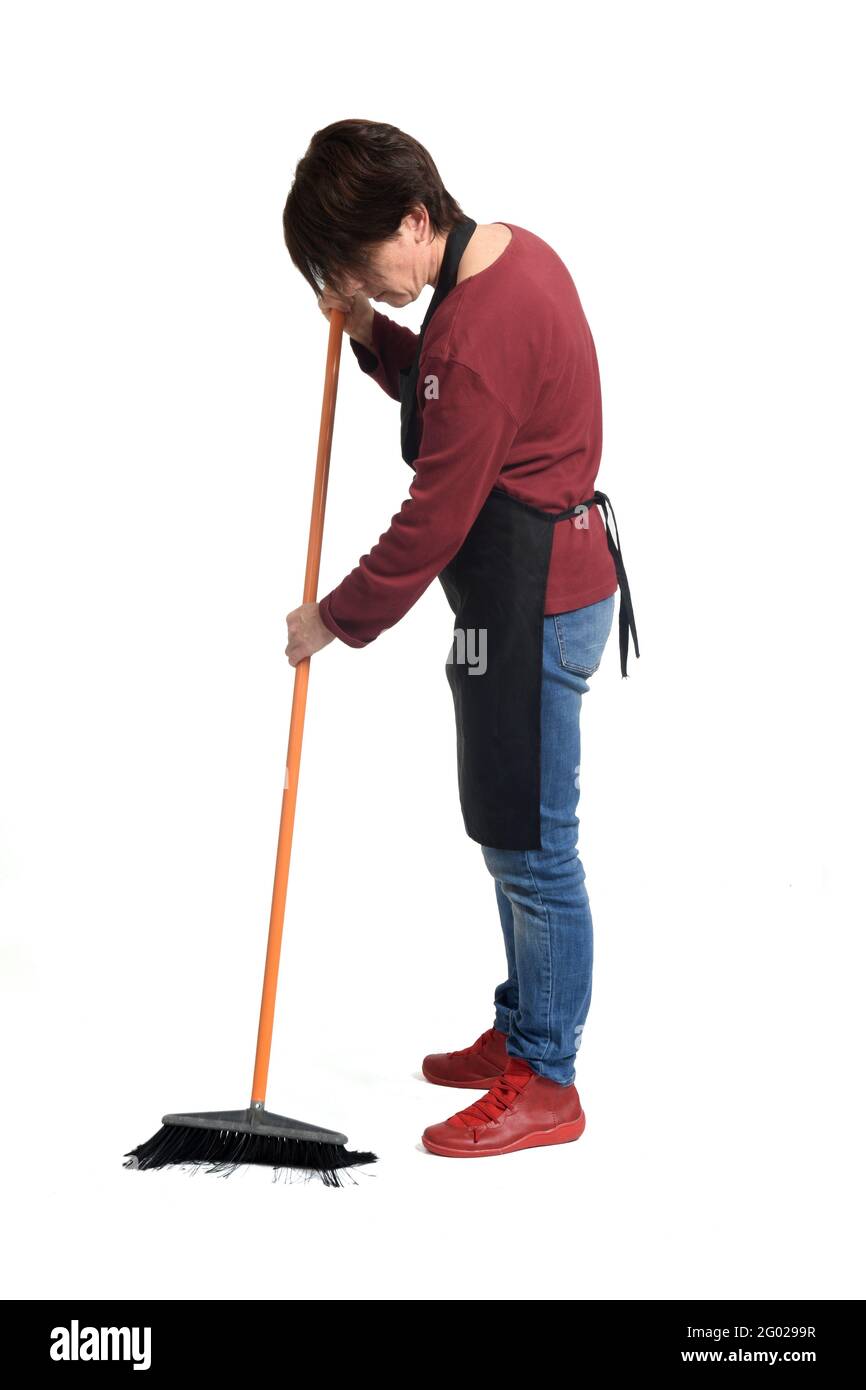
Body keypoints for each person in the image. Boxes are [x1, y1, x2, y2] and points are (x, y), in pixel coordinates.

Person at [282, 119, 638, 1160]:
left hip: (535, 605)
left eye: (360, 264)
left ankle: (548, 1077)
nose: (364, 284)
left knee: (534, 849)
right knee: (507, 832)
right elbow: (447, 387)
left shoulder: (479, 329)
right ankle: (524, 1028)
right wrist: (367, 332)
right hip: (526, 594)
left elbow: (434, 513)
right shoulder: (498, 260)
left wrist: (332, 617)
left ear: (411, 218)